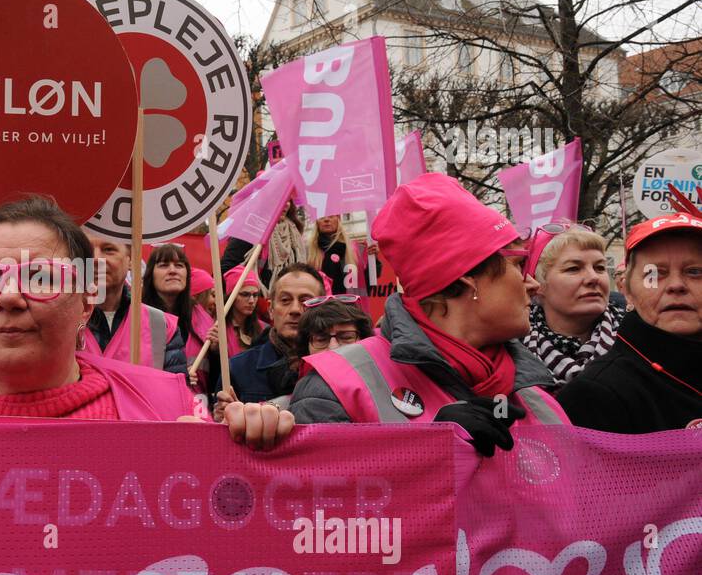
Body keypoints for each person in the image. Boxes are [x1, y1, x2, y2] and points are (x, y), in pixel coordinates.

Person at [0, 195, 292, 449]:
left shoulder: (168, 411)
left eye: (38, 277)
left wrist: (249, 444)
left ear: (84, 302)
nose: (7, 296)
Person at [288, 173, 568, 454]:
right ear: (468, 278)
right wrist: (428, 450)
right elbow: (324, 494)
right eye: (519, 265)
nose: (533, 284)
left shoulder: (535, 393)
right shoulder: (338, 387)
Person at [558, 213, 702, 432]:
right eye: (653, 274)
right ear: (627, 291)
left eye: (695, 272)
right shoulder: (595, 395)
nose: (676, 285)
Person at [212, 263, 326, 414]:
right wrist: (225, 419)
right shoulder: (237, 369)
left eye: (306, 301)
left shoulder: (337, 367)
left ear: (322, 309)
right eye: (285, 300)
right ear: (271, 309)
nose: (294, 310)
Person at [522, 225, 622, 389]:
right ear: (538, 284)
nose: (593, 277)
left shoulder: (637, 341)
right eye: (574, 268)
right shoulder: (511, 351)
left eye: (600, 267)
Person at [84, 231, 186, 372]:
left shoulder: (162, 326)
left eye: (108, 249)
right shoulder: (56, 320)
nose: (95, 258)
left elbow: (177, 391)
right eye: (86, 250)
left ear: (131, 260)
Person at [142, 243, 217, 378]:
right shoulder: (136, 315)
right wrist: (178, 375)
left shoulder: (203, 319)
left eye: (179, 265)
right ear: (150, 274)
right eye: (163, 265)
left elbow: (215, 380)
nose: (173, 270)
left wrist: (216, 353)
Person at [222, 265, 265, 356]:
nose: (251, 301)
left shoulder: (264, 329)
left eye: (255, 295)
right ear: (231, 297)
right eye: (245, 294)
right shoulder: (218, 328)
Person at [307, 214, 351, 296]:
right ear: (317, 223)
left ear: (338, 219)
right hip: (321, 305)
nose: (326, 219)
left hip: (347, 304)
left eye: (331, 216)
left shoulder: (351, 249)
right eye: (321, 217)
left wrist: (373, 260)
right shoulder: (308, 251)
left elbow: (364, 279)